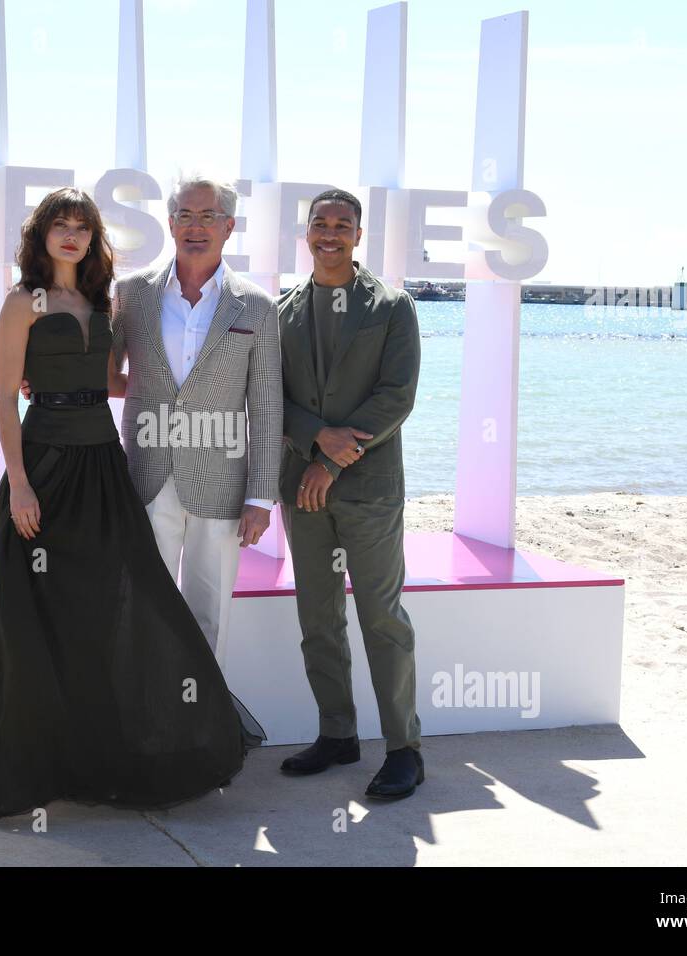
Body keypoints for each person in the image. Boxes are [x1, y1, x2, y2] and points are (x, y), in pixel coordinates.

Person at [0, 187, 264, 823]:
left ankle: (92, 747)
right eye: (60, 224)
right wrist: (21, 484)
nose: (71, 235)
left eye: (81, 226)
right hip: (44, 468)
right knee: (10, 605)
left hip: (103, 466)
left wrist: (192, 388)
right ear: (42, 235)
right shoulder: (21, 301)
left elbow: (113, 381)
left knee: (103, 600)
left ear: (92, 239)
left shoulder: (100, 302)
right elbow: (6, 400)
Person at [275, 188, 425, 800]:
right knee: (318, 617)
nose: (329, 233)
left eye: (342, 224)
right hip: (300, 488)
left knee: (382, 617)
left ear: (358, 235)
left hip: (368, 491)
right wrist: (315, 442)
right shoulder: (281, 311)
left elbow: (397, 397)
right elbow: (268, 397)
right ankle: (337, 734)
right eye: (320, 223)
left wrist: (332, 463)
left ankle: (403, 750)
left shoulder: (393, 307)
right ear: (306, 233)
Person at [109, 176, 283, 667]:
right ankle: (147, 726)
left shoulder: (257, 307)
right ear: (169, 224)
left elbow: (267, 406)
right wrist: (45, 379)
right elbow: (104, 373)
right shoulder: (132, 294)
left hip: (223, 487)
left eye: (208, 216)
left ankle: (202, 730)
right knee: (145, 608)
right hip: (147, 477)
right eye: (185, 215)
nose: (196, 226)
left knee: (209, 615)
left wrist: (259, 497)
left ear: (229, 227)